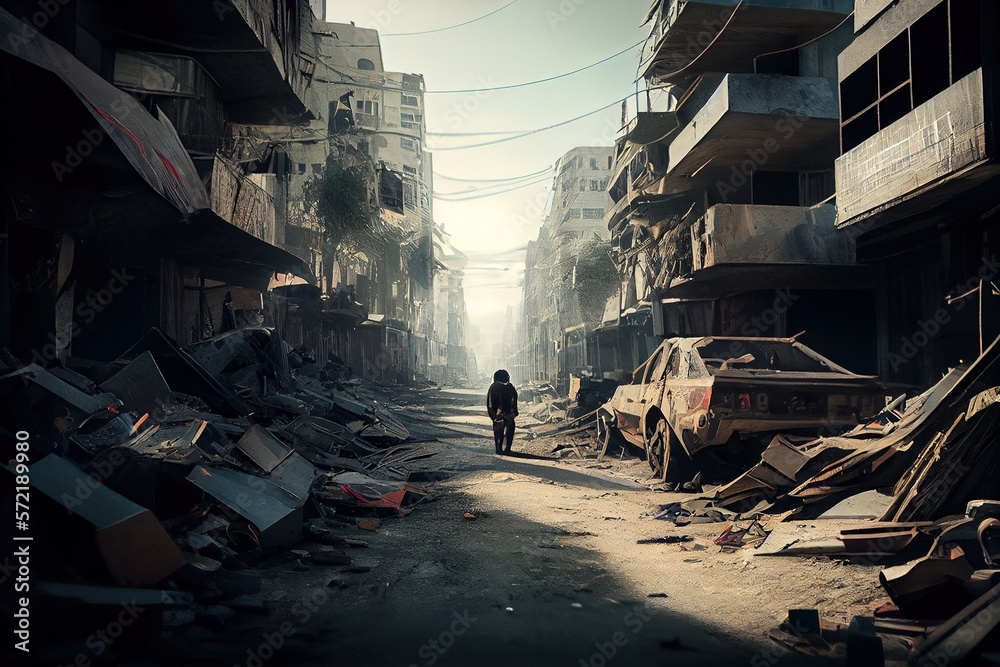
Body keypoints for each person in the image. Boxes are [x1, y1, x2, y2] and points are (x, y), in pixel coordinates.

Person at [486, 369, 518, 455]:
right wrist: (514, 413)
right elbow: (514, 401)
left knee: (499, 433)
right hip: (507, 415)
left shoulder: (493, 387)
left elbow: (490, 404)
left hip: (498, 415)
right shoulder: (510, 388)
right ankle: (507, 449)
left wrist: (494, 417)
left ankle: (499, 449)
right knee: (509, 431)